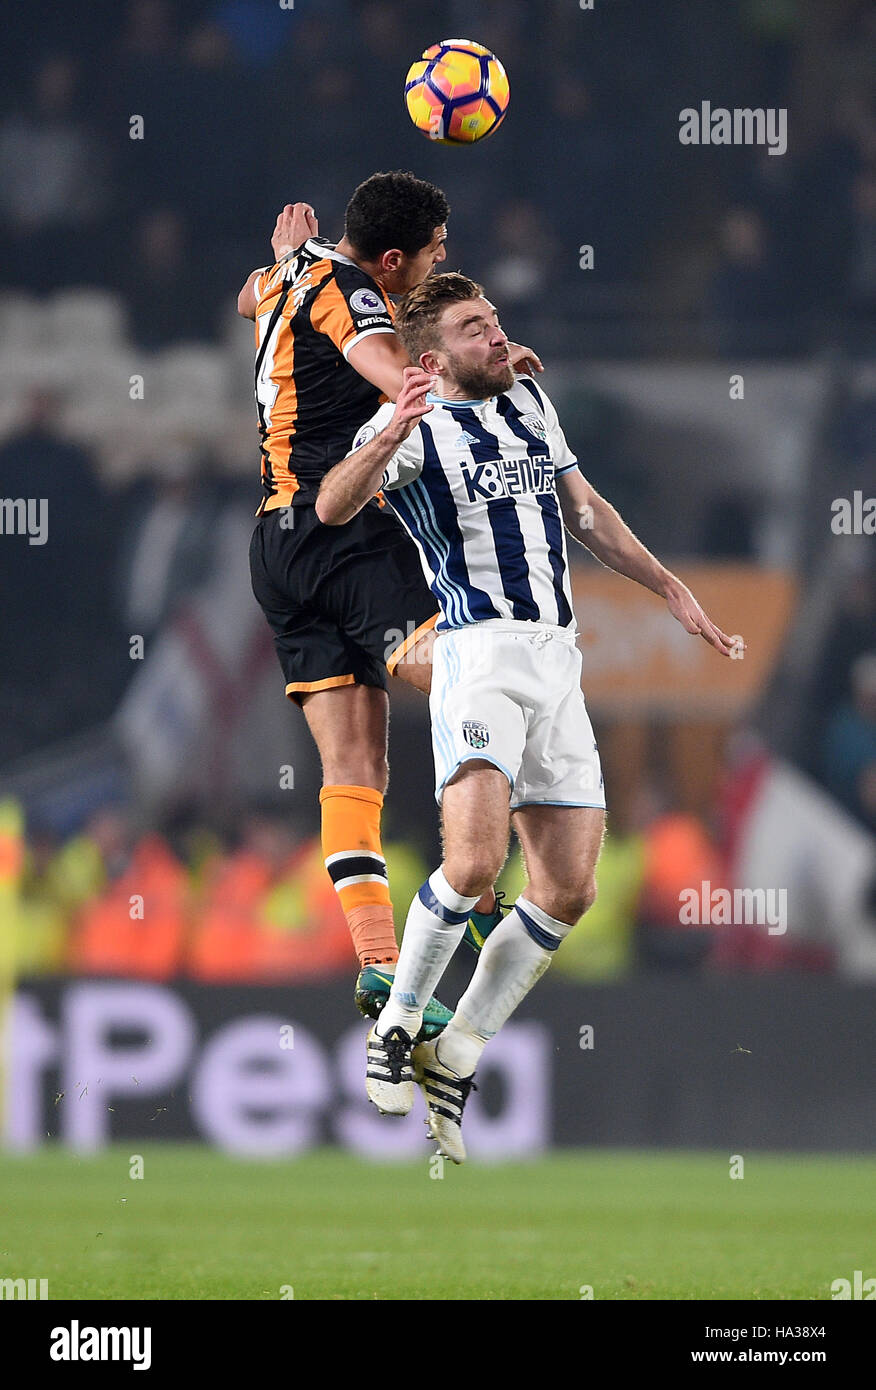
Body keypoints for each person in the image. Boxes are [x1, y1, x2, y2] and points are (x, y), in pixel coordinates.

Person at [316, 272, 742, 1162]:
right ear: (432, 358)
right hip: (477, 656)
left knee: (571, 887)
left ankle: (459, 1046)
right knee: (473, 863)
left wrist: (668, 585)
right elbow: (332, 505)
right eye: (478, 329)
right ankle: (397, 1025)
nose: (498, 337)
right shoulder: (414, 423)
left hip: (558, 658)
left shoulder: (532, 400)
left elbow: (586, 512)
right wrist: (386, 431)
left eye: (498, 321)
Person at [237, 174, 541, 1036]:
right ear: (395, 258)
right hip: (342, 534)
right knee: (458, 672)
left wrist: (285, 257)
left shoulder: (285, 276)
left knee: (355, 767)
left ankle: (378, 964)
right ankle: (476, 883)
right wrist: (460, 375)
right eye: (437, 251)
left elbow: (244, 296)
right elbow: (385, 367)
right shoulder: (352, 292)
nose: (444, 262)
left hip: (275, 544)